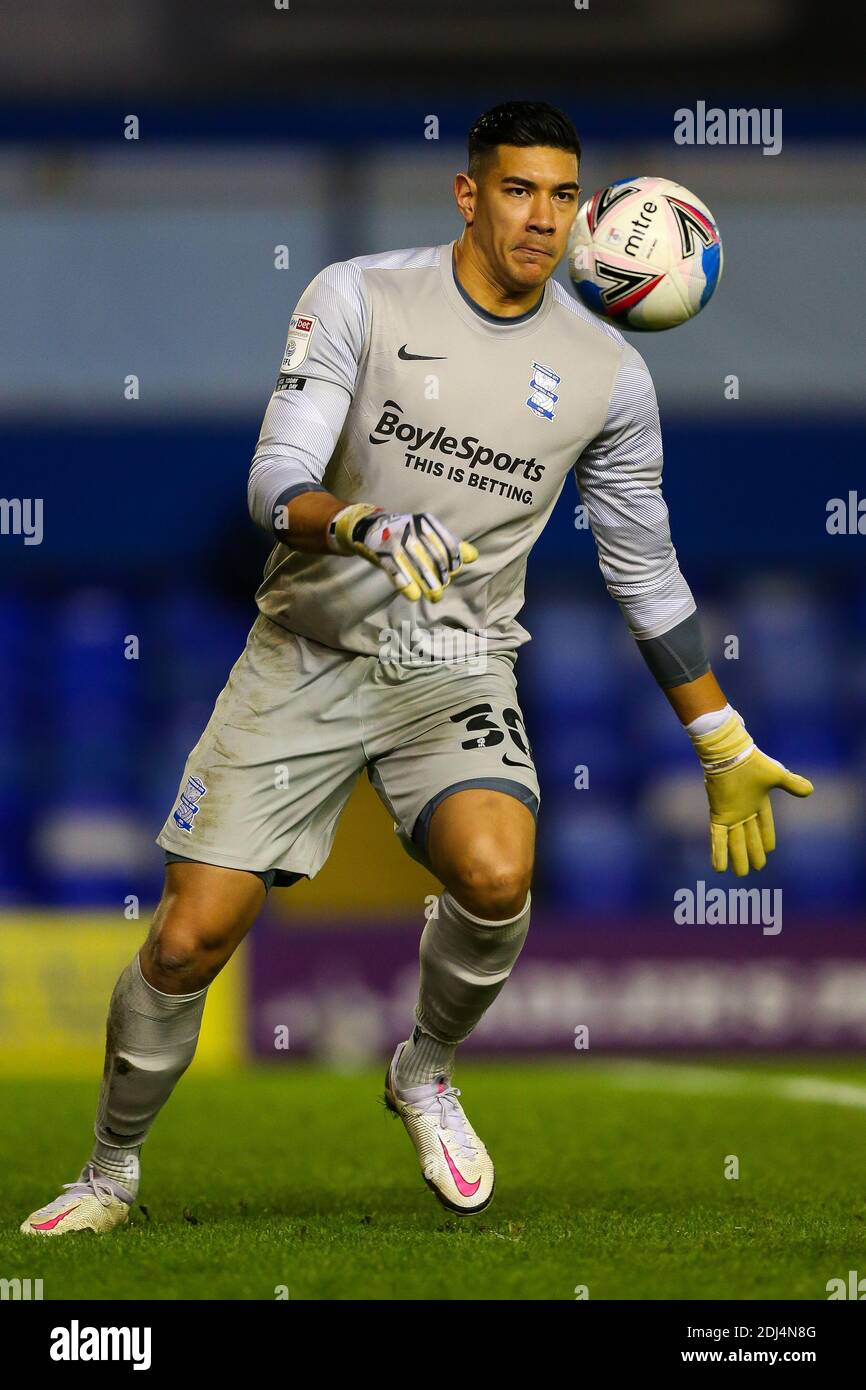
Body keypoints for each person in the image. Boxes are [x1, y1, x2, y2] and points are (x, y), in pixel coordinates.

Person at [21, 100, 812, 1235]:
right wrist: (364, 528)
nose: (541, 219)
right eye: (516, 190)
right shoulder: (358, 294)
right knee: (188, 938)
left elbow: (646, 573)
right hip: (305, 651)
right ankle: (108, 1172)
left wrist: (719, 739)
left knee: (496, 876)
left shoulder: (607, 375)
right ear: (468, 194)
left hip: (457, 660)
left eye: (560, 195)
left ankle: (423, 1067)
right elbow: (272, 481)